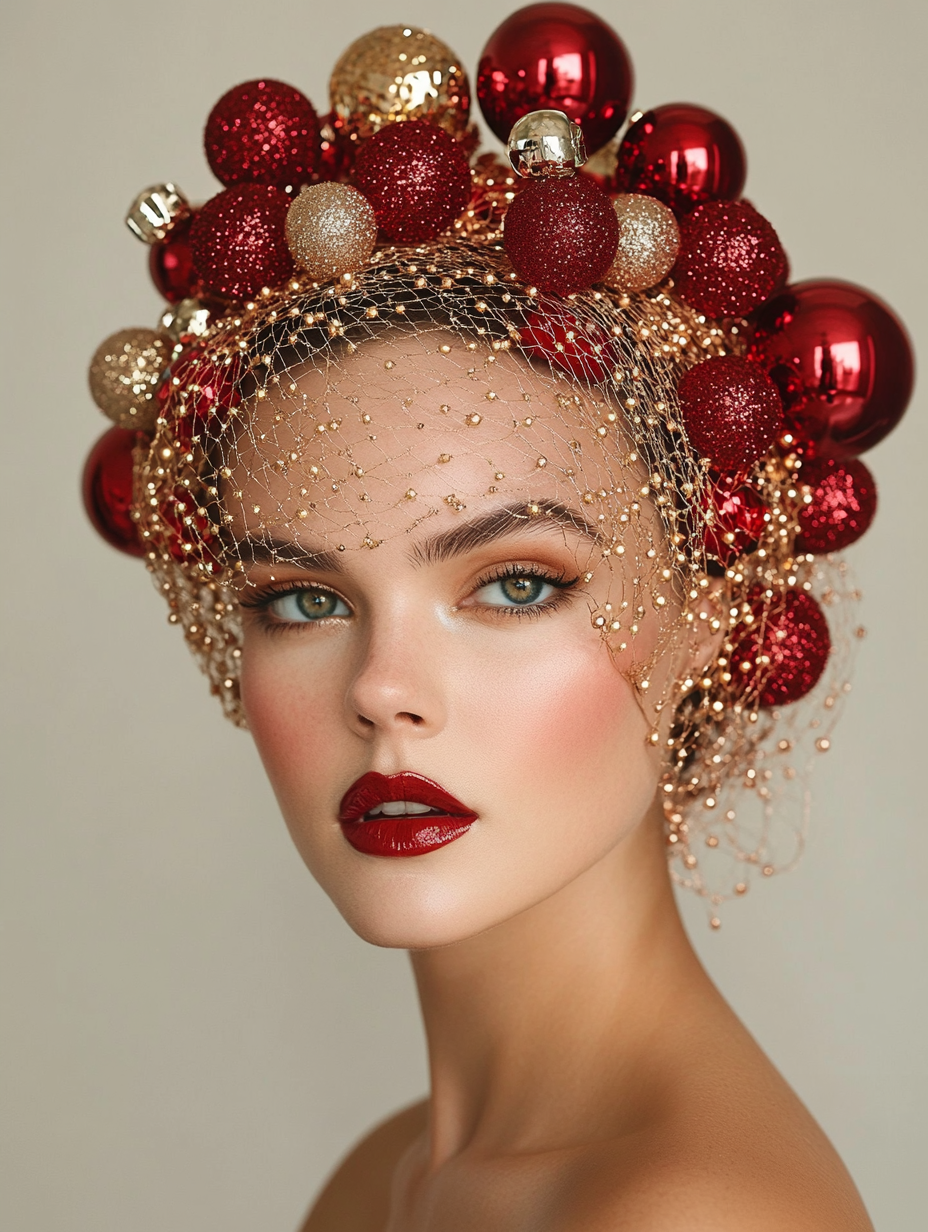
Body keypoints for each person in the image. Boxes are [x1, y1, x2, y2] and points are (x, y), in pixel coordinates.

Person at [83, 9, 911, 1229]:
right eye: (300, 599)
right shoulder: (387, 1181)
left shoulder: (693, 1211)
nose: (380, 686)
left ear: (712, 614)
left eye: (516, 582)